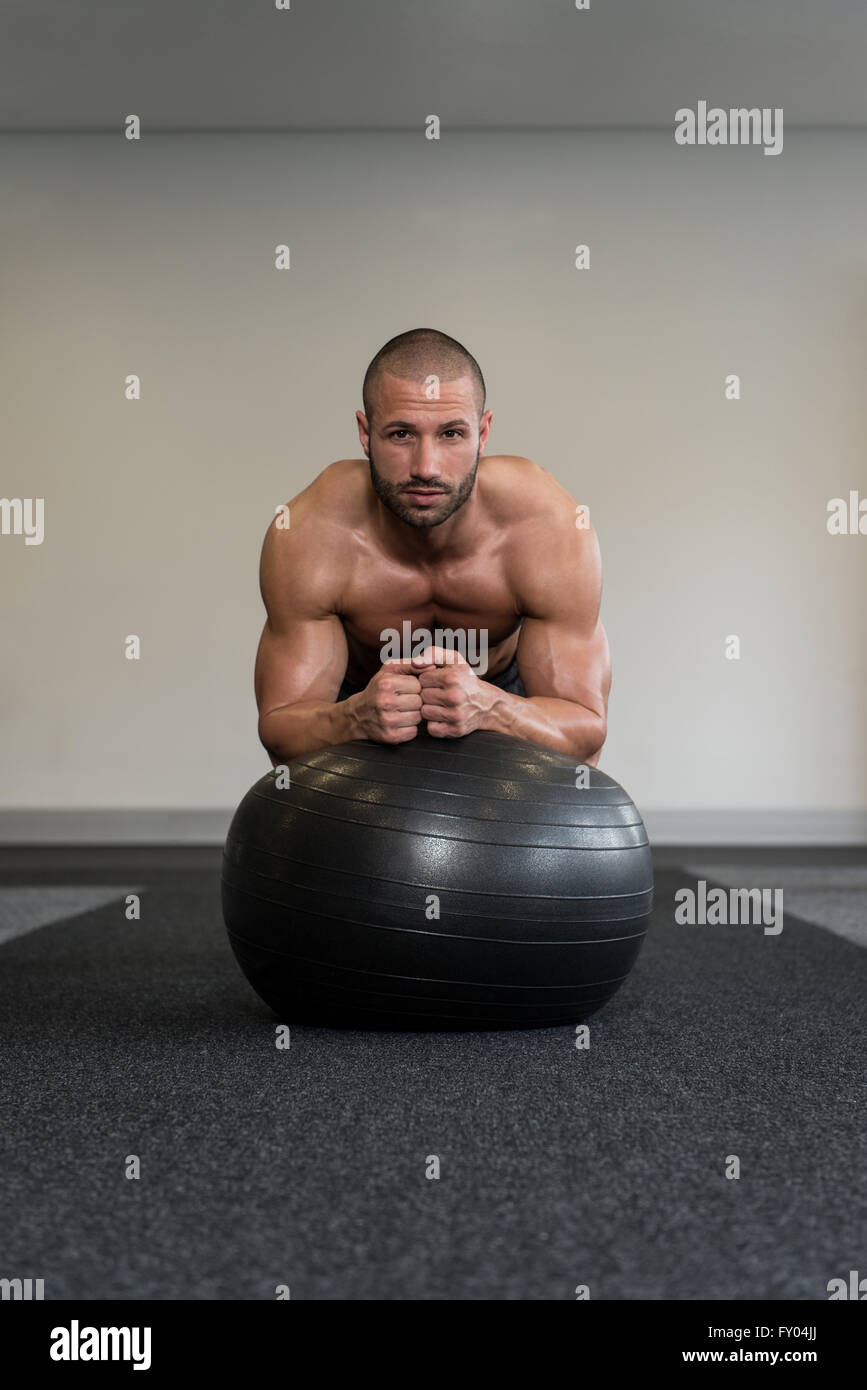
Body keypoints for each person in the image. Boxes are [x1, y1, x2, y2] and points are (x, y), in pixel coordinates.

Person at [254, 328, 611, 764]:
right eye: (402, 434)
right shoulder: (312, 534)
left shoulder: (546, 527)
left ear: (483, 433)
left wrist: (492, 705)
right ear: (365, 435)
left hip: (504, 694)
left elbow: (585, 733)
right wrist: (354, 719)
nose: (426, 467)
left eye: (451, 434)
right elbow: (280, 732)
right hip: (361, 701)